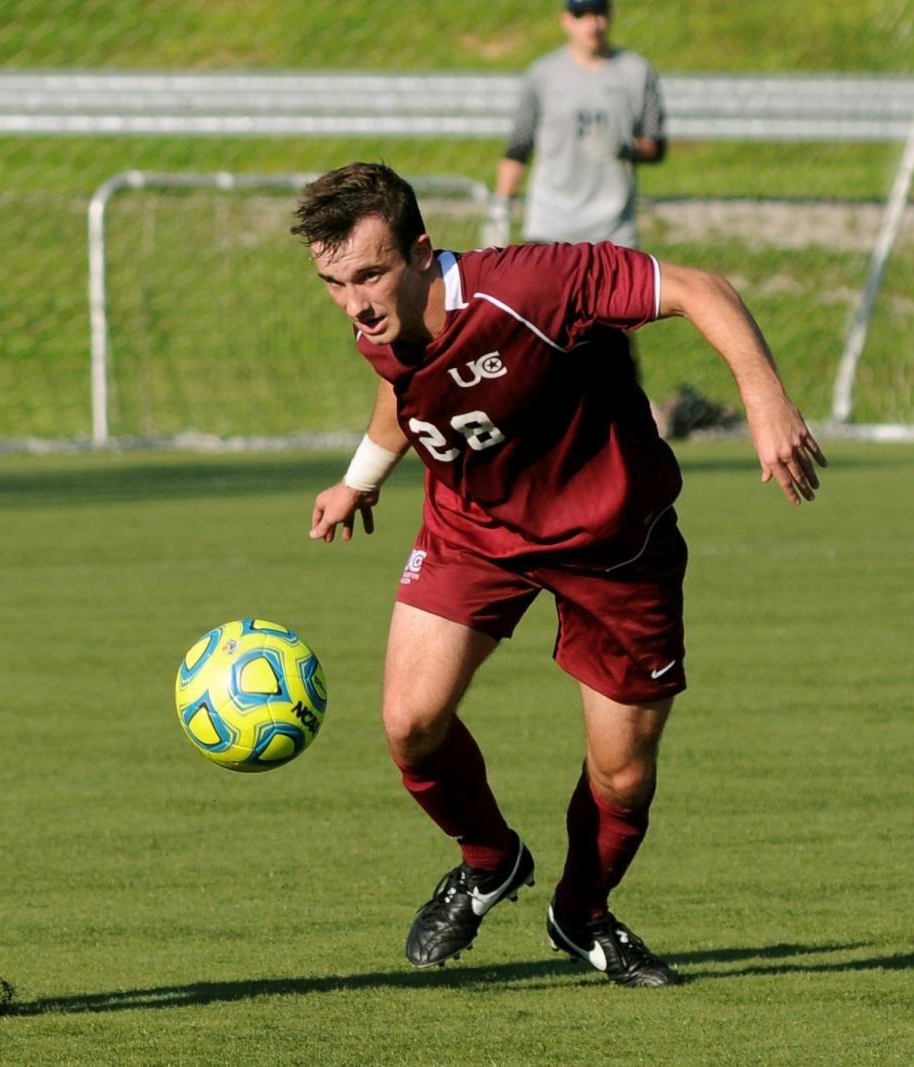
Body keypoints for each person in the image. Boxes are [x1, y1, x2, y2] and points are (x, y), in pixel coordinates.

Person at [292, 162, 824, 987]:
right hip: (475, 530)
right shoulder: (380, 320)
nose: (355, 302)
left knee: (622, 773)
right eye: (333, 282)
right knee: (410, 722)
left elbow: (699, 287)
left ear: (422, 251)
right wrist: (361, 477)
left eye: (368, 274)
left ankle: (581, 913)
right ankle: (489, 860)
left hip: (616, 544)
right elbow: (401, 389)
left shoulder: (536, 285)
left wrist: (765, 401)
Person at [484, 0, 666, 250]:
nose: (592, 24)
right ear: (566, 20)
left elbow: (655, 145)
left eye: (599, 13)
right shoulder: (542, 73)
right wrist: (500, 207)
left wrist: (625, 147)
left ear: (610, 17)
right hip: (550, 225)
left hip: (613, 230)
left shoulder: (637, 72)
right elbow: (519, 146)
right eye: (581, 14)